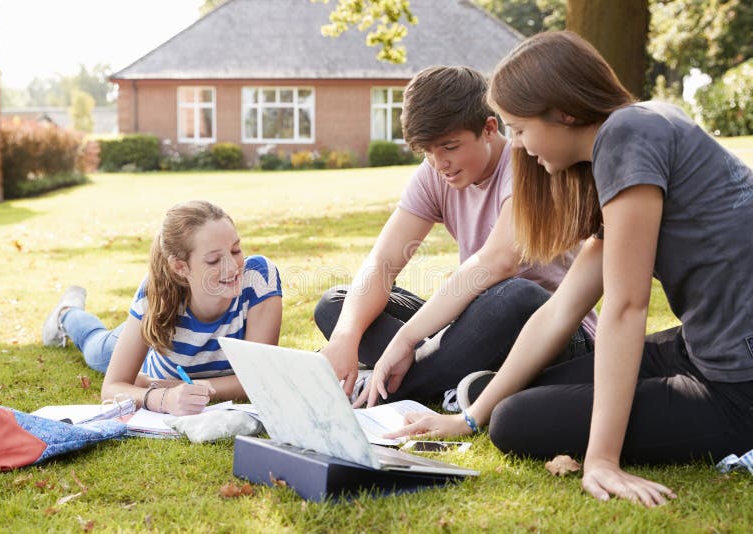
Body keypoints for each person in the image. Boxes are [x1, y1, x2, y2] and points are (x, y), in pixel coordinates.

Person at [381, 31, 753, 507]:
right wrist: (469, 419)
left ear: (566, 113)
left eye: (519, 128)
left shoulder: (628, 137)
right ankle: (473, 395)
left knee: (517, 420)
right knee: (512, 399)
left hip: (737, 384)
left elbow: (625, 306)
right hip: (699, 348)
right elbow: (560, 309)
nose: (518, 146)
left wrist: (601, 460)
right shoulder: (634, 133)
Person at [314, 65, 597, 405]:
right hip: (475, 326)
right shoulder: (435, 172)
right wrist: (346, 335)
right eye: (427, 151)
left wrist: (406, 339)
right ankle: (458, 381)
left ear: (489, 128)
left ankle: (394, 386)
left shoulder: (531, 162)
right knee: (337, 305)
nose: (439, 163)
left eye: (450, 146)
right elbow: (384, 260)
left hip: (554, 330)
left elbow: (498, 261)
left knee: (514, 295)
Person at [41, 200, 283, 415]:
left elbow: (258, 381)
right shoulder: (157, 295)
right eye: (213, 260)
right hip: (153, 340)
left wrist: (174, 387)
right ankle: (67, 312)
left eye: (235, 250)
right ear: (180, 267)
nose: (233, 267)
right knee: (96, 346)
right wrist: (163, 399)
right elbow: (112, 387)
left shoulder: (258, 278)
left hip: (161, 375)